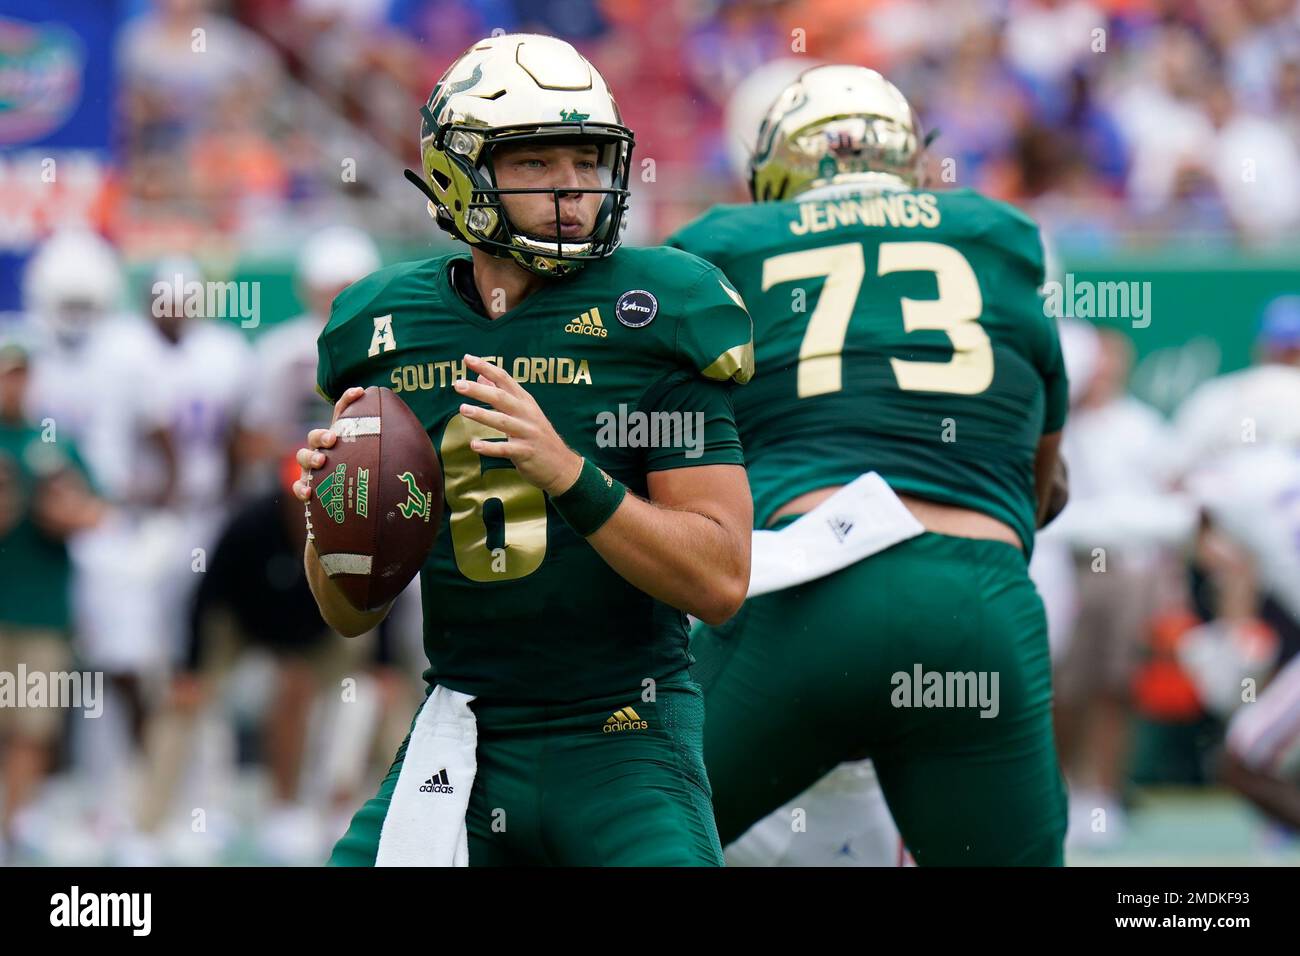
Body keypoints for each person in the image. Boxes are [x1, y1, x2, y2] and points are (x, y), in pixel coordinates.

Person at [299, 33, 755, 866]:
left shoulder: (660, 309)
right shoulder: (383, 328)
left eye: (587, 160)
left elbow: (722, 582)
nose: (573, 189)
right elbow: (348, 615)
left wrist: (574, 477)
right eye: (538, 164)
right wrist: (337, 518)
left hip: (626, 736)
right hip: (464, 732)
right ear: (457, 172)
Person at [669, 65, 1070, 866]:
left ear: (774, 165)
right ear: (911, 158)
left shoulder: (719, 246)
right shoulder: (998, 235)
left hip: (804, 594)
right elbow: (1045, 483)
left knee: (620, 832)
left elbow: (666, 463)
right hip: (975, 604)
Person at [0, 337, 104, 862]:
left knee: (31, 728)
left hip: (42, 611)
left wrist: (60, 509)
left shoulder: (52, 442)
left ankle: (14, 824)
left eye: (18, 374)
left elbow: (95, 511)